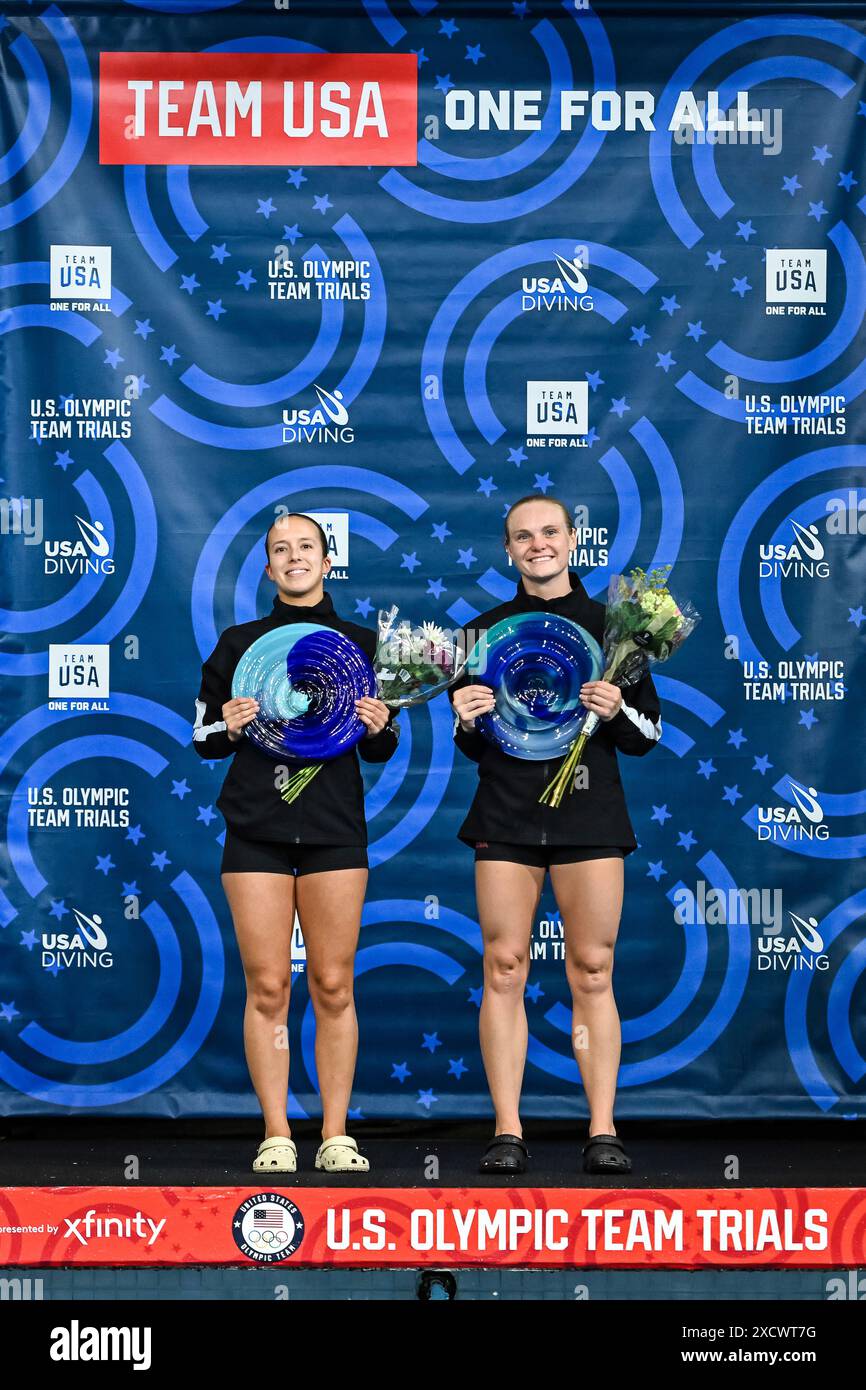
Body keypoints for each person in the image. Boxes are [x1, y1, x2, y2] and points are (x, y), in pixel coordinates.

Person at [448, 495, 662, 1176]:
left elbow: (646, 738)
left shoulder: (615, 628)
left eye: (549, 532)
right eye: (522, 536)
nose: (537, 544)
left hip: (591, 815)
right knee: (504, 967)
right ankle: (507, 1131)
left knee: (592, 970)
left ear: (573, 539)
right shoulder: (480, 633)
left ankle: (602, 1130)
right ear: (507, 550)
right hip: (506, 815)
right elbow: (476, 748)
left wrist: (618, 705)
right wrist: (467, 717)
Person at [192, 512, 399, 1174]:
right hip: (255, 828)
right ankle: (277, 1133)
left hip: (335, 830)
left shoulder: (365, 644)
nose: (294, 557)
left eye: (305, 546)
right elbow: (201, 741)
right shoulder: (238, 644)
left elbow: (383, 747)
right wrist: (224, 725)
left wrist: (376, 724)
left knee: (334, 983)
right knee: (269, 984)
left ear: (327, 560)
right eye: (280, 550)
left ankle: (337, 1135)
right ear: (268, 568)